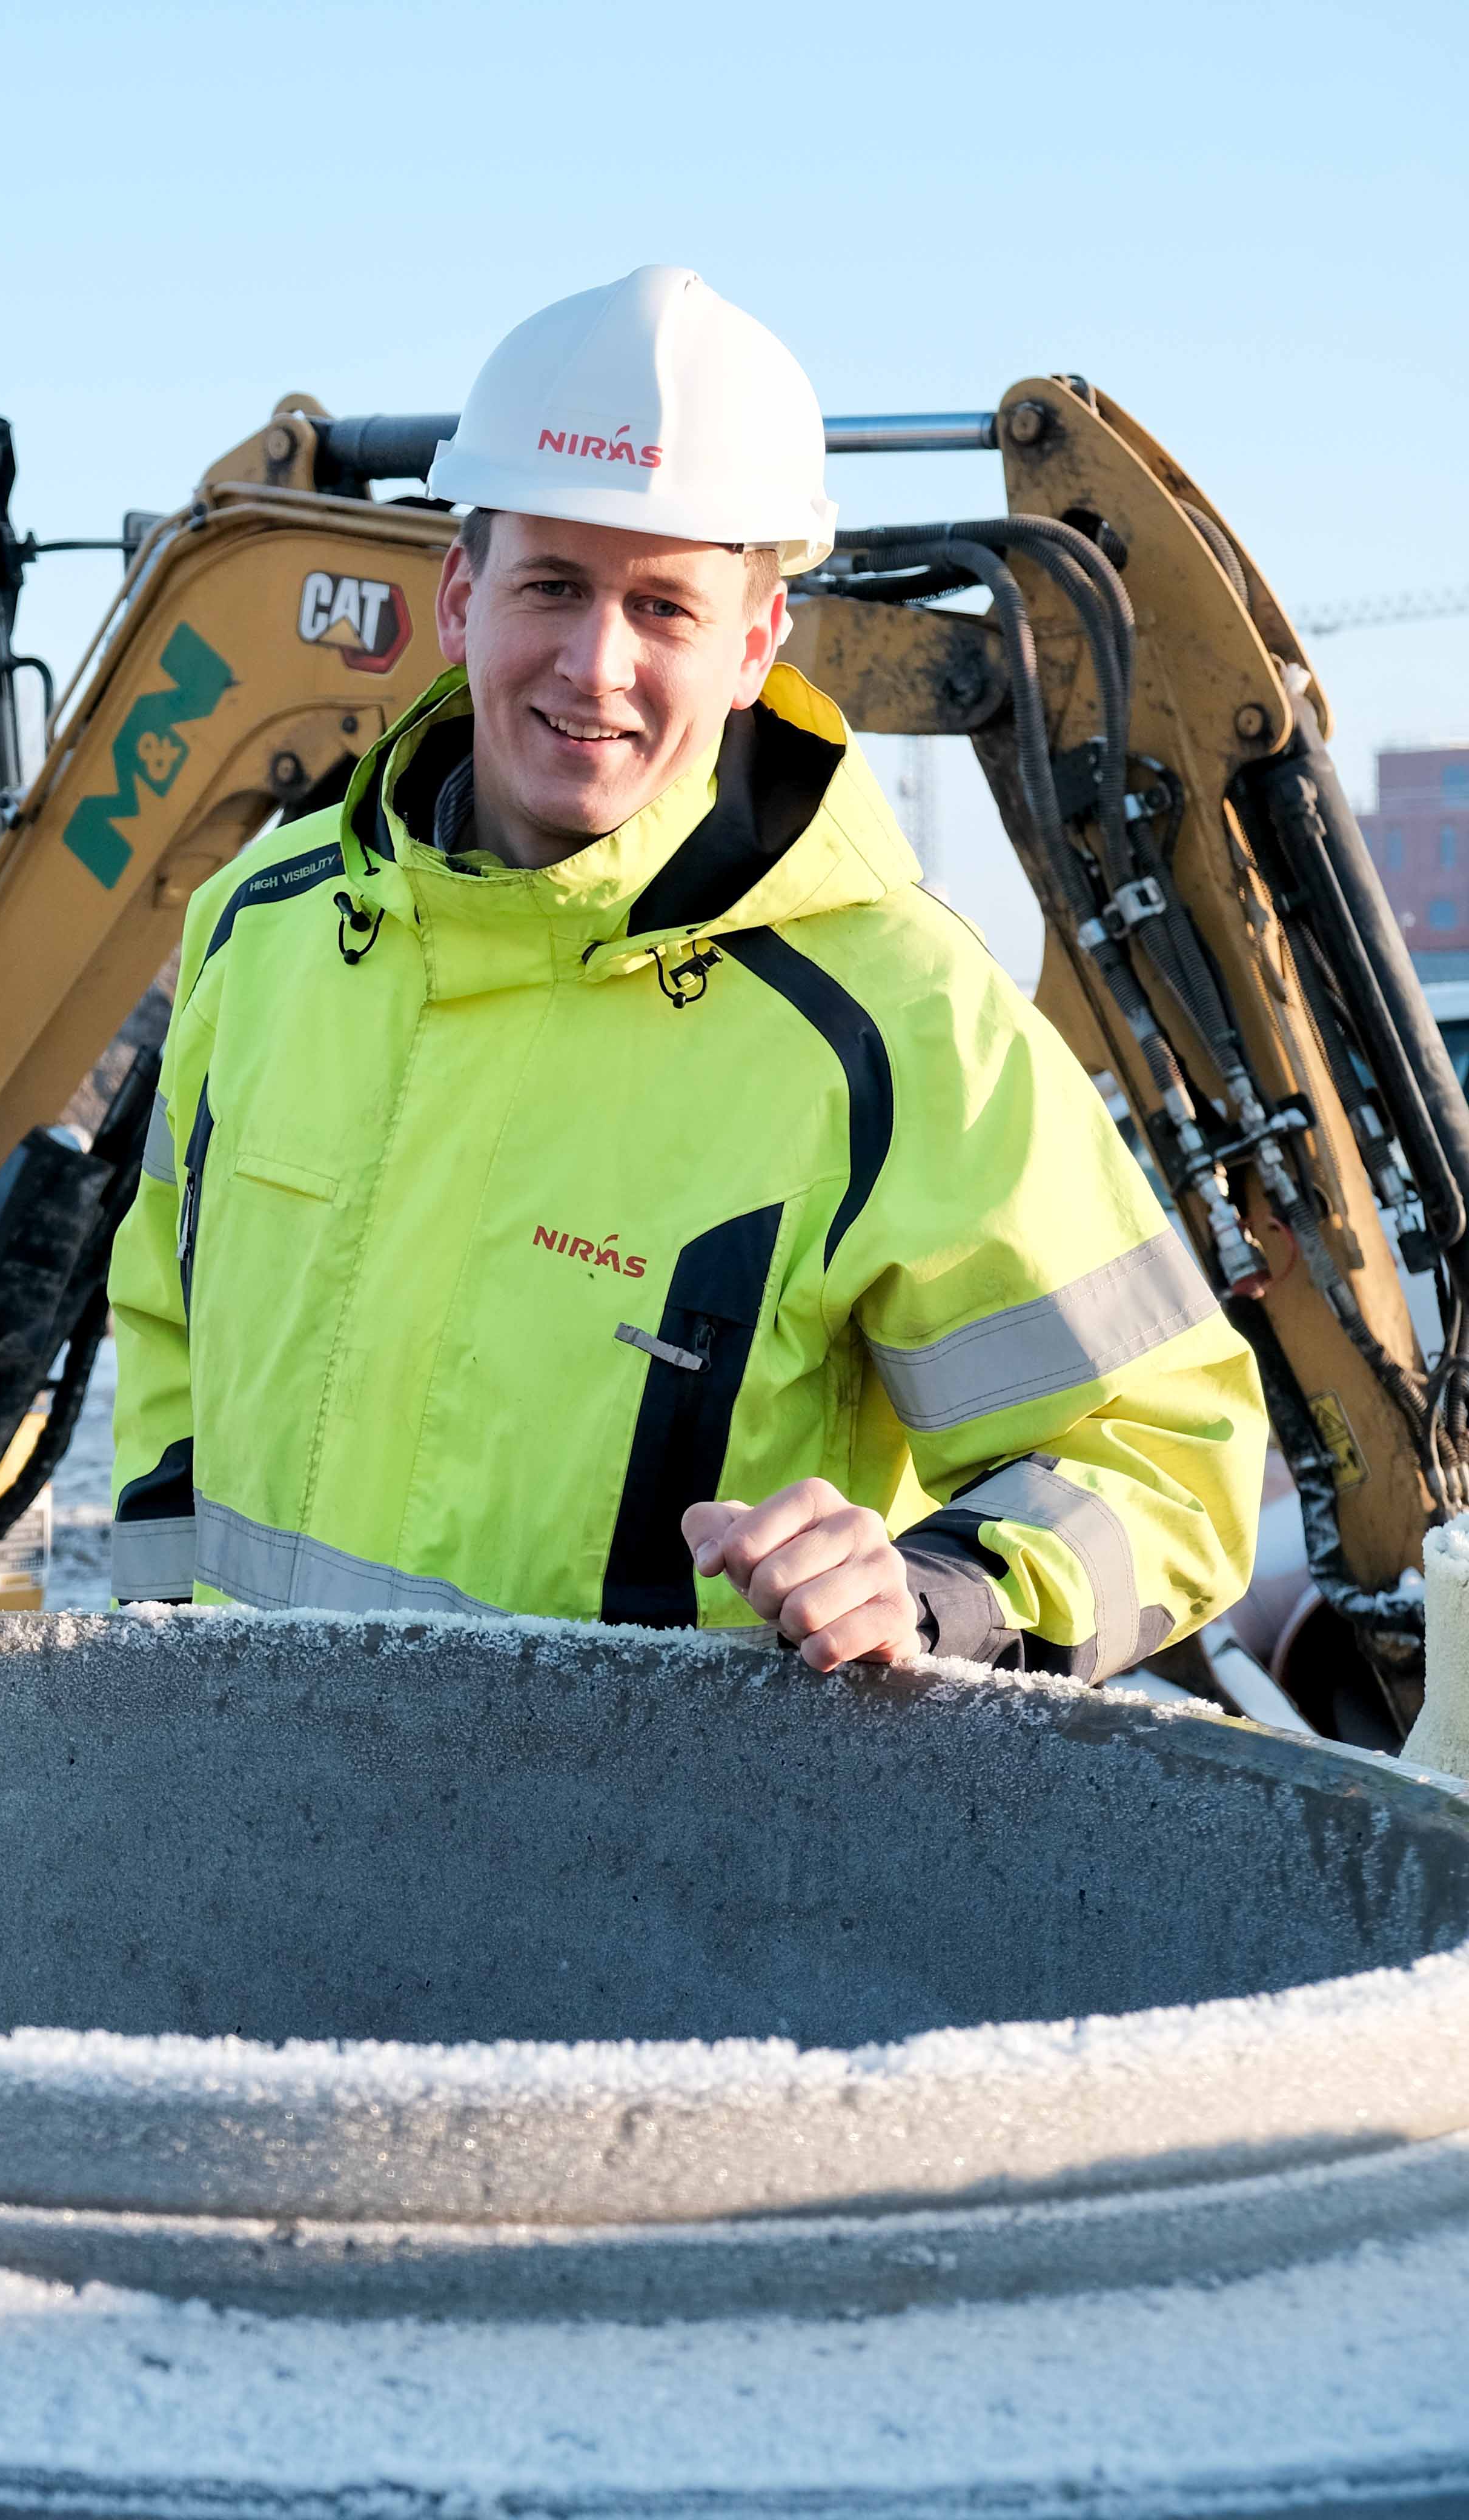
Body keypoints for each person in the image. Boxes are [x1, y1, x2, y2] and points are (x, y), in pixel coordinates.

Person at [108, 266, 1261, 1677]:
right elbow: (167, 1332)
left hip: (646, 1828)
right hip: (243, 1790)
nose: (596, 664)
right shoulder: (260, 927)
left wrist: (932, 1592)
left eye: (664, 608)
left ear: (756, 645)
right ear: (461, 598)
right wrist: (149, 1682)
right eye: (553, 586)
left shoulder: (899, 1027)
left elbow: (1173, 1448)